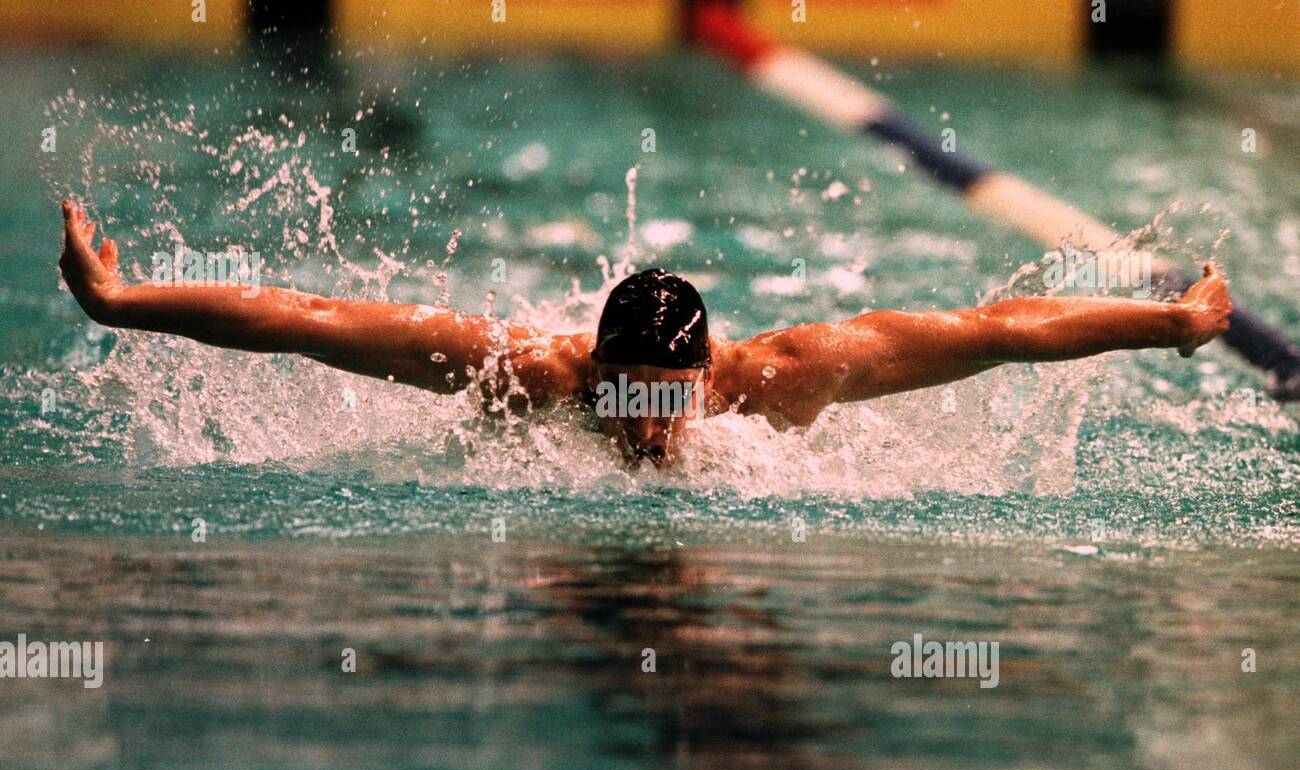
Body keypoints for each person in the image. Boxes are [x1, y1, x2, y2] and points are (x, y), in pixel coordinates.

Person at [58, 200, 1231, 468]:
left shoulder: (780, 379)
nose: (638, 423)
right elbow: (307, 320)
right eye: (621, 392)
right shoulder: (533, 375)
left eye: (659, 398)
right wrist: (125, 301)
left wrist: (1165, 321)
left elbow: (997, 330)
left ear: (705, 372)